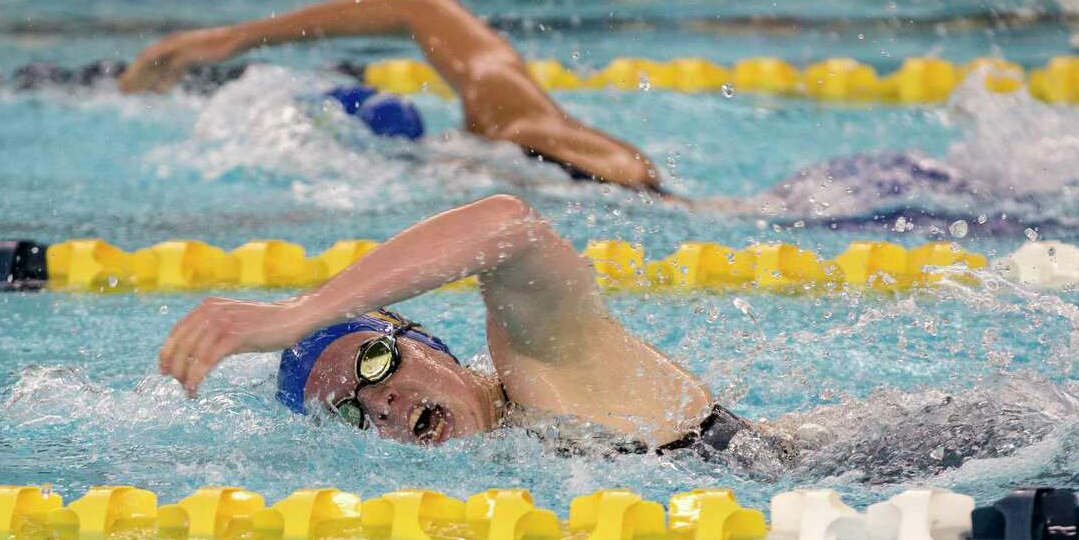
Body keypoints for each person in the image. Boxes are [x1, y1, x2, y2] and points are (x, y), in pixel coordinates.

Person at [159, 194, 764, 456]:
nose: (382, 404)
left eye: (374, 362)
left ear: (432, 348)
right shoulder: (503, 461)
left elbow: (507, 226)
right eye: (351, 411)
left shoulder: (541, 367)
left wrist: (301, 316)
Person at [119, 0, 666, 194]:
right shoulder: (510, 125)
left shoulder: (514, 128)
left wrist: (232, 39)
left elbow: (418, 6)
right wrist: (232, 39)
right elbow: (419, 6)